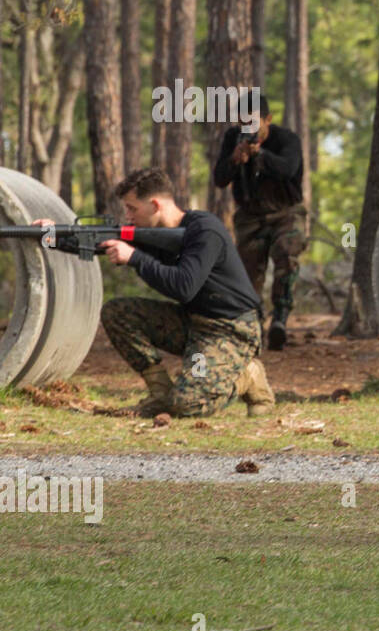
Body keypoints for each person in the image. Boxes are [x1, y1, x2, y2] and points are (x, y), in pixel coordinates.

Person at [94, 168, 274, 418]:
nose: (128, 216)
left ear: (155, 205)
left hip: (230, 330)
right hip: (193, 326)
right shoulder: (149, 232)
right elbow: (91, 241)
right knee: (117, 313)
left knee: (187, 404)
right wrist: (50, 235)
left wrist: (134, 258)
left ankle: (248, 374)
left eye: (132, 208)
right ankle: (160, 392)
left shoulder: (204, 231)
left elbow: (184, 287)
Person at [212, 93, 308, 351]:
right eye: (243, 124)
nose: (247, 130)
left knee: (287, 255)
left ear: (268, 120)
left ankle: (281, 318)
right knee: (247, 275)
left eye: (253, 124)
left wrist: (260, 155)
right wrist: (235, 159)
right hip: (250, 217)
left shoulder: (286, 140)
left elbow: (288, 168)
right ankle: (253, 326)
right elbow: (219, 179)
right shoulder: (233, 139)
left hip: (285, 212)